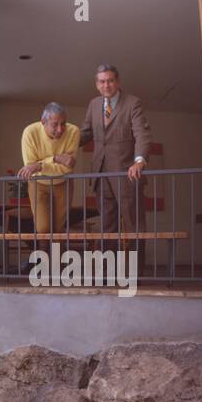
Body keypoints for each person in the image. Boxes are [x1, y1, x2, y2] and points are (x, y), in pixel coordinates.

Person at [79, 65, 151, 272]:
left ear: (117, 82)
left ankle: (136, 273)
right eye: (101, 81)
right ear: (97, 84)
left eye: (110, 80)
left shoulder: (133, 103)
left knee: (134, 225)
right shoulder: (93, 105)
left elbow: (142, 133)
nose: (106, 85)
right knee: (106, 227)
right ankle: (106, 273)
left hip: (128, 174)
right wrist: (63, 143)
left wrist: (139, 161)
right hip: (101, 174)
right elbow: (85, 134)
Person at [18, 103, 80, 236]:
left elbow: (67, 166)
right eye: (55, 124)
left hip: (63, 183)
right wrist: (56, 159)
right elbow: (30, 165)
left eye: (63, 124)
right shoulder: (30, 132)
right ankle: (43, 256)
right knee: (43, 228)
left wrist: (40, 165)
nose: (60, 129)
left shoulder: (73, 131)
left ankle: (57, 257)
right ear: (43, 122)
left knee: (59, 228)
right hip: (38, 183)